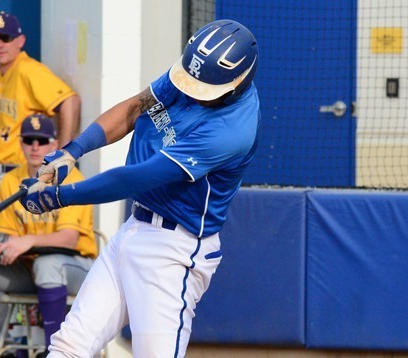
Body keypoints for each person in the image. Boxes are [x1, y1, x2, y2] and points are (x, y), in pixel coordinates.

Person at [19, 19, 260, 357]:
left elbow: (136, 178)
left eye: (202, 88)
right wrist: (73, 150)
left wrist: (60, 197)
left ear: (237, 83)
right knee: (68, 346)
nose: (192, 91)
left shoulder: (231, 130)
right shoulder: (194, 73)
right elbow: (135, 108)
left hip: (173, 250)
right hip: (134, 230)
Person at [0, 11, 81, 355]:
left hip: (18, 176)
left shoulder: (28, 70)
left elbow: (69, 100)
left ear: (20, 40)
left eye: (6, 38)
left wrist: (64, 155)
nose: (0, 44)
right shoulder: (1, 74)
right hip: (3, 176)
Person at [0, 114, 97, 357]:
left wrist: (29, 240)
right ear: (20, 143)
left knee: (48, 264)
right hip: (30, 270)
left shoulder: (72, 178)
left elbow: (69, 239)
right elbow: (12, 236)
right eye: (29, 140)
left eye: (41, 141)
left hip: (76, 268)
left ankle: (53, 352)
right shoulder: (10, 181)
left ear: (54, 145)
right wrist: (10, 248)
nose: (35, 147)